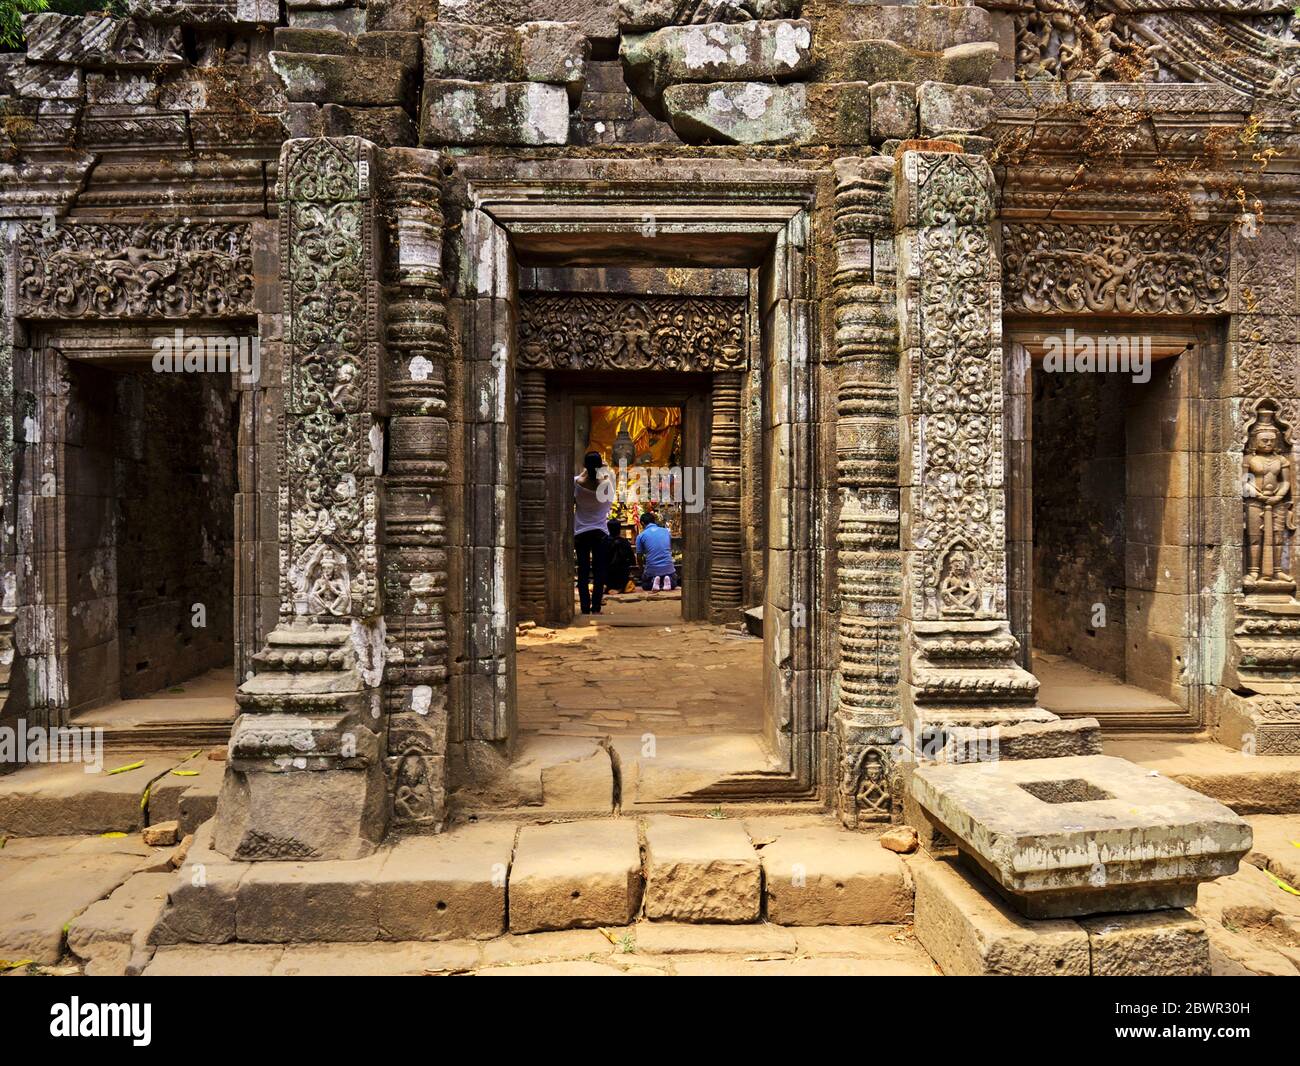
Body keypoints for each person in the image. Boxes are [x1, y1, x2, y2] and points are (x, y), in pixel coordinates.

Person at [574, 451, 612, 614]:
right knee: (599, 571)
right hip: (600, 532)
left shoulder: (577, 484)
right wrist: (603, 469)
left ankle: (584, 607)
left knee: (582, 571)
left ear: (585, 466)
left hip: (581, 532)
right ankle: (596, 607)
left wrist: (586, 470)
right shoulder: (606, 486)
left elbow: (579, 478)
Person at [635, 512, 677, 591]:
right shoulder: (666, 531)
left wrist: (642, 570)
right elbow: (668, 548)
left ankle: (654, 581)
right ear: (654, 521)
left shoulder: (641, 536)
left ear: (642, 523)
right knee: (674, 582)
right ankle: (666, 580)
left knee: (644, 584)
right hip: (669, 569)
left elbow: (639, 557)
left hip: (652, 570)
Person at [605, 518, 636, 596]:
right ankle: (620, 587)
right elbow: (633, 561)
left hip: (607, 578)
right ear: (620, 529)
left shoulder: (604, 542)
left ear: (608, 529)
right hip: (622, 578)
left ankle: (608, 587)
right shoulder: (625, 542)